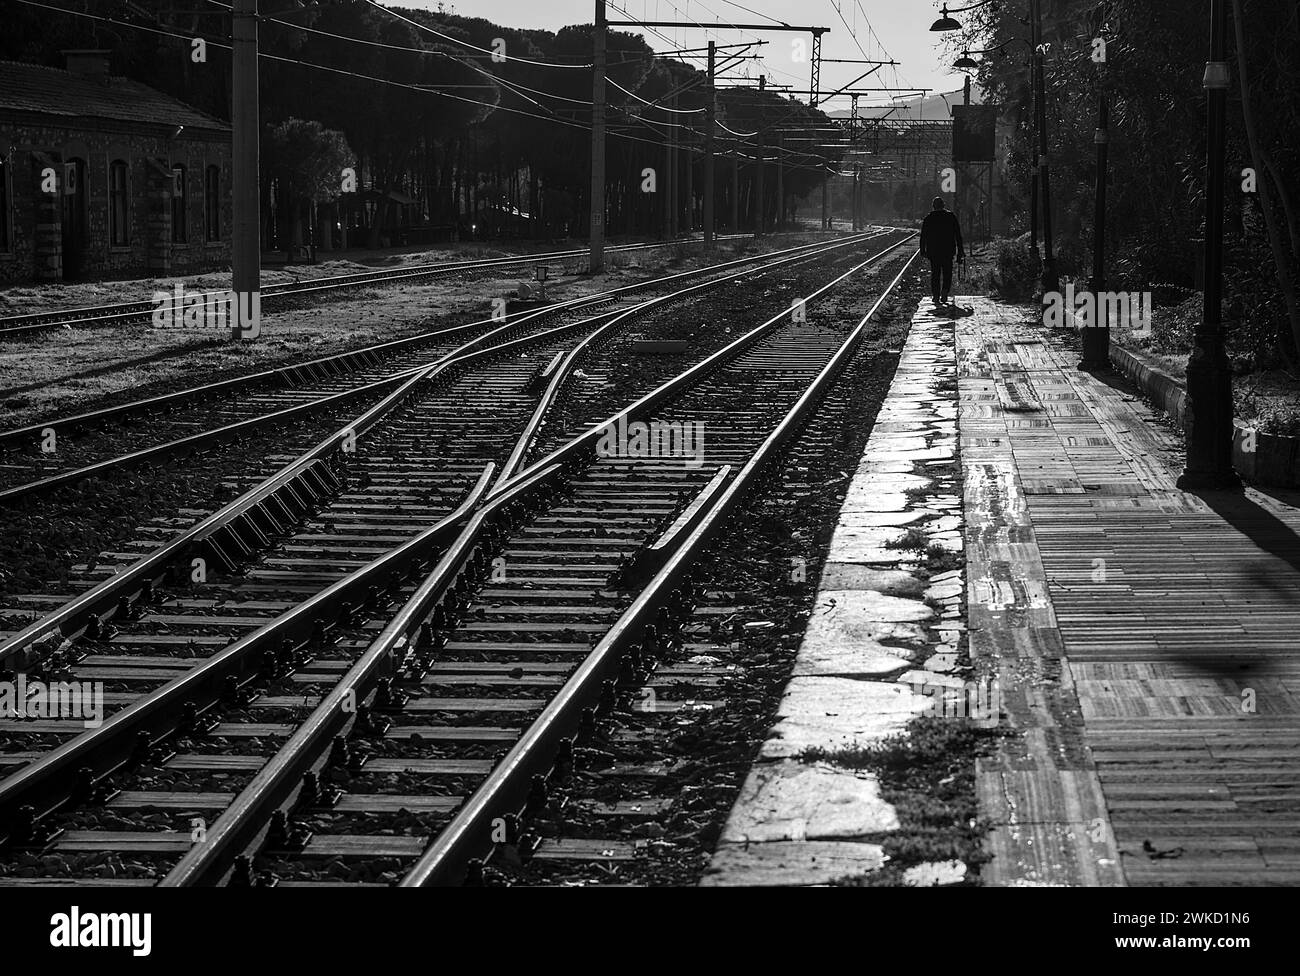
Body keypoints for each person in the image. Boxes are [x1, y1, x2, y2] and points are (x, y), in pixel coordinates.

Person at [919, 196, 964, 306]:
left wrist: (922, 250)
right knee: (947, 272)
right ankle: (944, 292)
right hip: (948, 251)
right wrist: (960, 251)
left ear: (933, 206)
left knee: (935, 273)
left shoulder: (928, 218)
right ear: (943, 205)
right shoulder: (951, 217)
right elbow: (958, 235)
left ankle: (935, 295)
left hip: (933, 251)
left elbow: (923, 236)